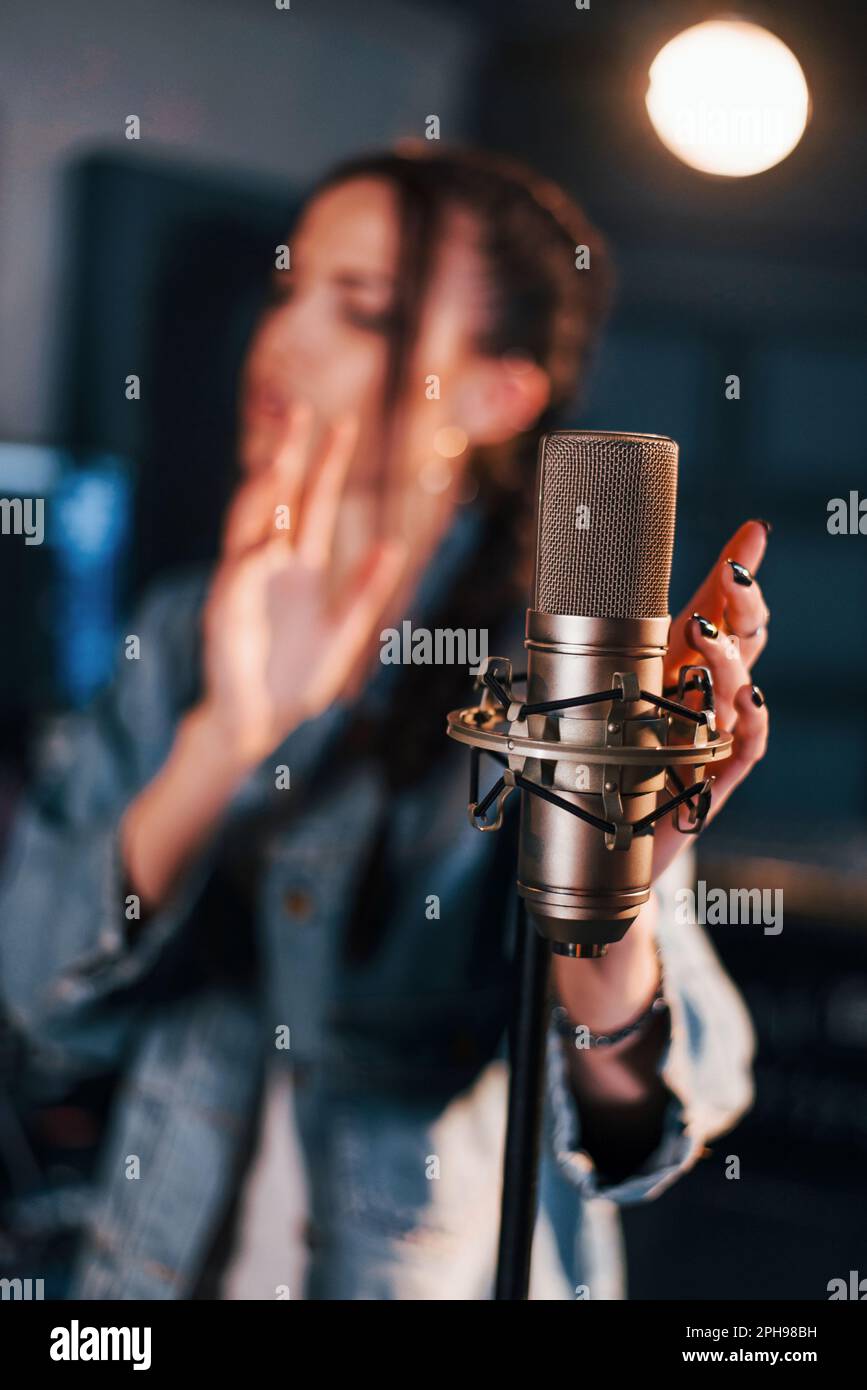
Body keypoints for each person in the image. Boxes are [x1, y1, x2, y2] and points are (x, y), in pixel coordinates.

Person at [0, 146, 766, 1300]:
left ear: (500, 391)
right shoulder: (181, 626)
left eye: (359, 308)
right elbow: (38, 986)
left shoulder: (552, 665)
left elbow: (639, 1131)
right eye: (288, 288)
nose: (287, 340)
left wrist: (604, 912)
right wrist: (223, 736)